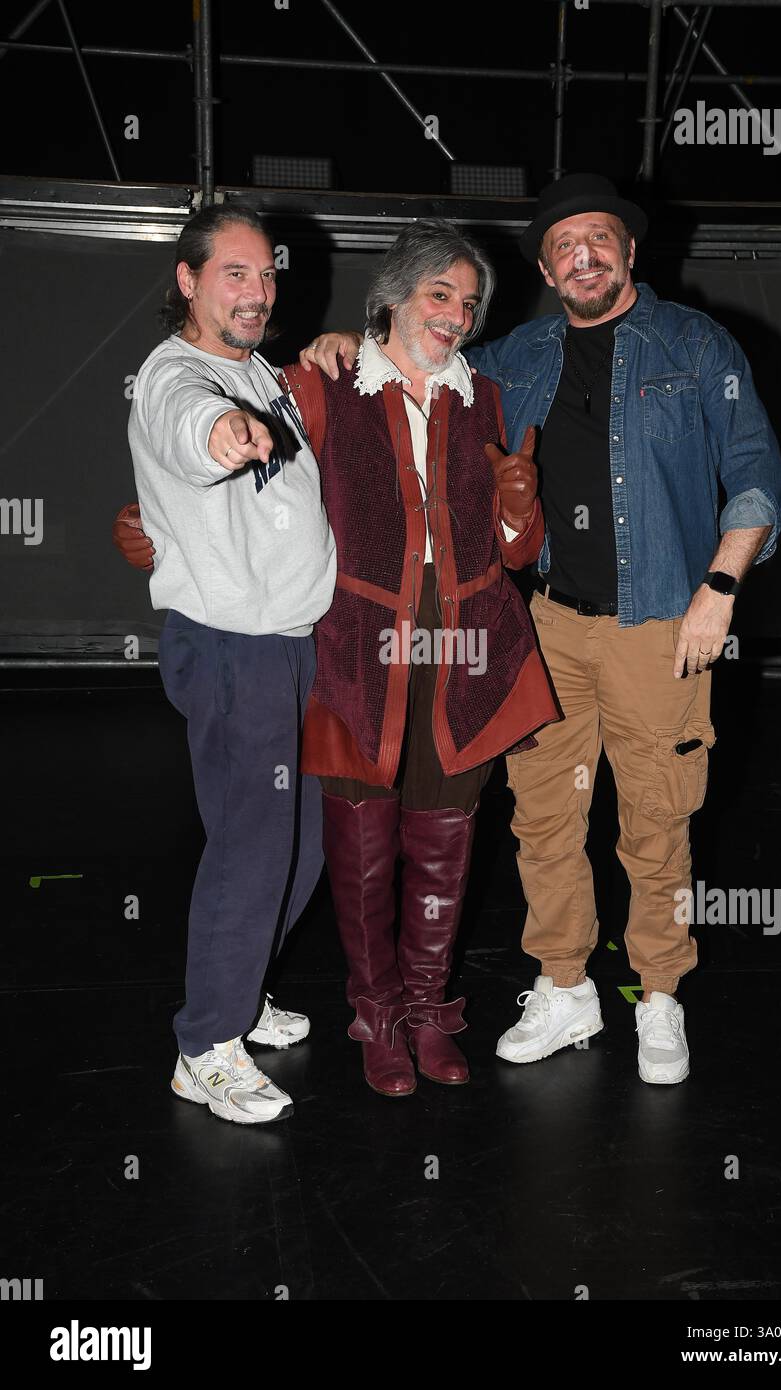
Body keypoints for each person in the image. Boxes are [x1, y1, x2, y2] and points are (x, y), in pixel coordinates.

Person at [299, 172, 781, 1085]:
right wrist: (348, 337)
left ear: (631, 252)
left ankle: (659, 995)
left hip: (662, 626)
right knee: (544, 817)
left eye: (600, 238)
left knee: (657, 816)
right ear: (546, 268)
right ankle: (565, 986)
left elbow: (759, 469)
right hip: (547, 626)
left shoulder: (695, 343)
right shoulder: (514, 360)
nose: (585, 255)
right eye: (565, 245)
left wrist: (722, 585)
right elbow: (415, 367)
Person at [118, 218, 560, 1101]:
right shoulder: (321, 384)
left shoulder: (485, 397)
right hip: (349, 646)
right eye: (440, 294)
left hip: (457, 650)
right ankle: (356, 1014)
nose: (456, 315)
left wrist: (520, 511)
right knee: (325, 840)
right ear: (394, 295)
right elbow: (186, 423)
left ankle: (421, 1004)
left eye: (469, 304)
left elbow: (516, 550)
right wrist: (181, 488)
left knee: (402, 840)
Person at [121, 204, 336, 1124]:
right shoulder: (179, 374)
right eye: (233, 274)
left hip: (294, 643)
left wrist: (324, 355)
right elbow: (185, 421)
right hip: (233, 647)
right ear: (188, 280)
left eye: (265, 274)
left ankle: (238, 993)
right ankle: (205, 1043)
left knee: (306, 847)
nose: (255, 291)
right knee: (253, 848)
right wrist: (221, 436)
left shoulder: (266, 374)